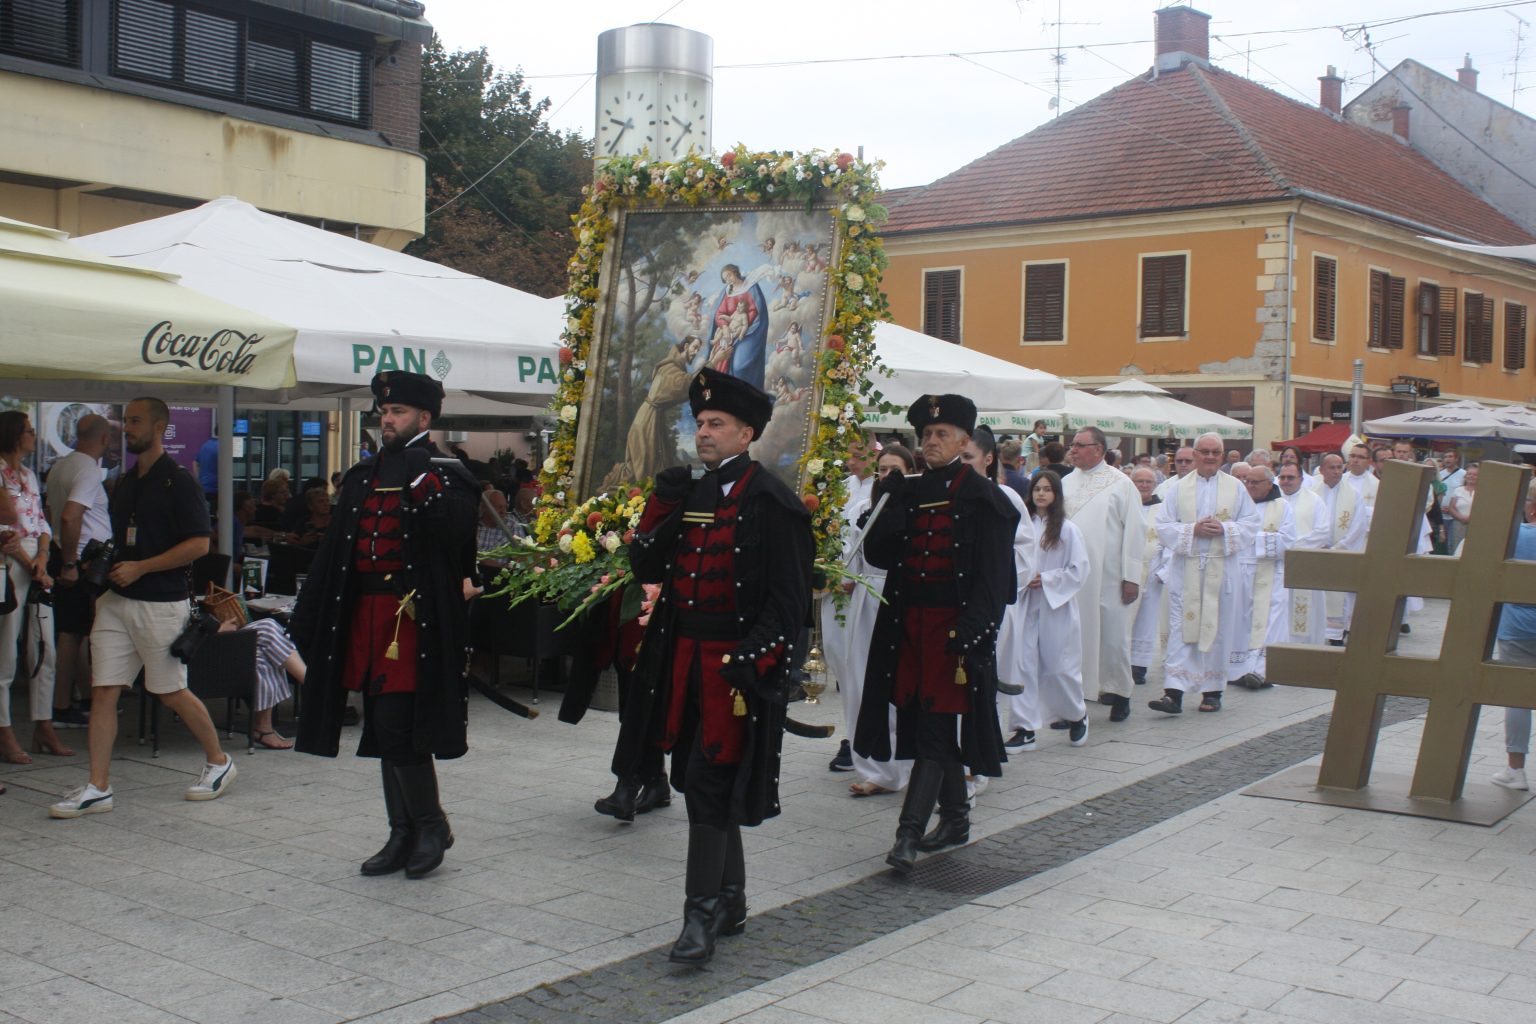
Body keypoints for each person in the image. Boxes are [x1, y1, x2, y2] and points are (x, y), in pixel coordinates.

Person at [616, 368, 813, 965]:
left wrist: (751, 661)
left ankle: (699, 915)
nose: (703, 432)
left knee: (709, 782)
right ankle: (730, 898)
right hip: (682, 662)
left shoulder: (773, 500)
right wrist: (662, 502)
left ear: (745, 432)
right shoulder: (694, 492)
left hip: (735, 671)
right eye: (699, 423)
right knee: (700, 779)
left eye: (715, 424)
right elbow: (645, 567)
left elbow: (789, 602)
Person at [291, 371, 479, 878]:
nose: (387, 420)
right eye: (384, 412)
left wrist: (422, 481)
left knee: (399, 724)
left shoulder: (447, 473)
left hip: (414, 619)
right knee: (380, 723)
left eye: (397, 413)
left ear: (424, 417)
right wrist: (308, 617)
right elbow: (336, 553)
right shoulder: (363, 474)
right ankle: (402, 832)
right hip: (366, 616)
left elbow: (459, 537)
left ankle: (429, 824)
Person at [49, 398, 236, 818]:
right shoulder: (126, 481)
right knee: (103, 690)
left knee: (169, 690)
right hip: (116, 599)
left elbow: (199, 544)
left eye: (135, 422)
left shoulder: (178, 481)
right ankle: (98, 786)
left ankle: (219, 762)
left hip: (160, 601)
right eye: (125, 422)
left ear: (159, 426)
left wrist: (142, 568)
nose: (126, 429)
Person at [855, 394, 1017, 875]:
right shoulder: (905, 490)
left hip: (954, 633)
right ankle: (957, 817)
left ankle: (907, 833)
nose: (931, 443)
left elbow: (996, 580)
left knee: (935, 728)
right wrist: (883, 508)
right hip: (909, 628)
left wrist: (974, 633)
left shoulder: (986, 499)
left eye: (941, 435)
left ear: (965, 441)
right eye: (925, 435)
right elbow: (880, 557)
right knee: (931, 723)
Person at [827, 444, 915, 797]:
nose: (888, 476)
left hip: (901, 599)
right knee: (863, 683)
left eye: (896, 470)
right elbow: (853, 554)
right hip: (866, 600)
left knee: (900, 685)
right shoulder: (864, 508)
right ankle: (875, 768)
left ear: (910, 471)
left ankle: (906, 764)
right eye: (883, 470)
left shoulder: (915, 510)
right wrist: (843, 577)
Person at [1150, 432, 1260, 715]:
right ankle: (1173, 693)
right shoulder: (1176, 488)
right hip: (1186, 568)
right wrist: (1192, 530)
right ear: (1195, 454)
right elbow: (1162, 525)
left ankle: (1212, 692)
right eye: (1205, 451)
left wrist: (1224, 528)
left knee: (1218, 628)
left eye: (1215, 452)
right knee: (1181, 629)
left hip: (1221, 569)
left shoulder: (1236, 488)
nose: (1210, 457)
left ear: (1222, 457)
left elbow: (1251, 523)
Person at [1061, 426, 1144, 723]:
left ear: (1098, 449)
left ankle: (1121, 694)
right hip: (1073, 576)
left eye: (1080, 445)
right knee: (1074, 639)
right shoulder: (1065, 483)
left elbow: (1135, 531)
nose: (1073, 450)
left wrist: (1131, 576)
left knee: (1113, 639)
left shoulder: (1121, 484)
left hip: (1109, 577)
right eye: (1073, 445)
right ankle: (1074, 704)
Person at [964, 428, 1039, 758]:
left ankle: (980, 752)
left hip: (992, 601)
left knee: (984, 678)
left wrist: (994, 571)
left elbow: (1025, 547)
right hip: (953, 602)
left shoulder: (1005, 497)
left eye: (968, 457)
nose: (961, 464)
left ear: (988, 458)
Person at [1006, 470, 1089, 751]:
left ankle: (1077, 714)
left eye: (1047, 489)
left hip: (1056, 604)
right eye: (1037, 489)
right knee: (1022, 664)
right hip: (1025, 601)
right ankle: (1024, 727)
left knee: (1058, 666)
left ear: (1056, 495)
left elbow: (1079, 569)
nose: (1041, 494)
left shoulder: (1067, 529)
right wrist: (1021, 577)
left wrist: (1049, 580)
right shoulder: (1023, 525)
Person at [47, 413, 112, 732]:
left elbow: (51, 512)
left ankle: (86, 699)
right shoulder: (87, 468)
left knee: (81, 631)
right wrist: (72, 563)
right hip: (83, 561)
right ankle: (61, 705)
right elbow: (70, 516)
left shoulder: (62, 464)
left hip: (69, 554)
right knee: (74, 633)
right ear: (103, 438)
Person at [0, 411, 58, 763]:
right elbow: (6, 531)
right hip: (11, 566)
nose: (33, 435)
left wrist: (44, 558)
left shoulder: (28, 475)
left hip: (36, 565)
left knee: (45, 648)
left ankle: (43, 723)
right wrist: (32, 563)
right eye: (28, 430)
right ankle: (5, 730)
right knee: (6, 651)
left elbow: (42, 521)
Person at [825, 436, 875, 775]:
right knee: (839, 659)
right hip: (834, 585)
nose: (852, 463)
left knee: (862, 665)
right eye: (848, 457)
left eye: (858, 456)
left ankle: (862, 735)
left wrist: (853, 577)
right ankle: (852, 729)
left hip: (863, 588)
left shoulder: (878, 488)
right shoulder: (842, 487)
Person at [600, 334, 705, 490]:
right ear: (685, 346)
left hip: (652, 419)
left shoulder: (675, 367)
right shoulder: (669, 368)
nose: (696, 352)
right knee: (643, 467)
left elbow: (686, 383)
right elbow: (686, 385)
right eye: (695, 347)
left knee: (654, 466)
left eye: (698, 349)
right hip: (646, 422)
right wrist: (713, 362)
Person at [1229, 466, 1295, 690]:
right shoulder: (1238, 505)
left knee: (1270, 621)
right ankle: (1237, 669)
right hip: (1241, 572)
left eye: (1255, 482)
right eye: (1247, 481)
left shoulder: (1282, 507)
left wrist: (1250, 538)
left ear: (1269, 484)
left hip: (1271, 573)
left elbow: (1288, 540)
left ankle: (1263, 671)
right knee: (1240, 621)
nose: (1250, 486)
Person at [1491, 478, 1536, 793]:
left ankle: (1515, 769)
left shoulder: (1516, 536)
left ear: (1531, 507)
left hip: (1517, 627)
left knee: (1517, 698)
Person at [1309, 453, 1371, 645]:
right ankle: (1315, 631)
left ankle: (1337, 634)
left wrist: (1338, 547)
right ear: (1321, 470)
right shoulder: (1311, 493)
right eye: (1331, 467)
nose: (1336, 471)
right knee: (1316, 596)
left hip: (1340, 553)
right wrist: (1315, 545)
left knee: (1340, 596)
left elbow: (1358, 527)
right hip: (1315, 554)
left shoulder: (1353, 495)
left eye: (1339, 467)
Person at [217, 615, 306, 749]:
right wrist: (219, 628)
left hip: (208, 635)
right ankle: (312, 684)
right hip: (195, 644)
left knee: (264, 654)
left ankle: (263, 728)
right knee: (267, 627)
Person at [1277, 462, 1329, 646]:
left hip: (1304, 564)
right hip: (1277, 567)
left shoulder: (1314, 500)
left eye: (1290, 477)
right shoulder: (1273, 501)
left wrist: (1292, 545)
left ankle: (1304, 649)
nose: (1286, 481)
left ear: (1301, 479)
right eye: (1282, 477)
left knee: (1306, 612)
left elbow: (1322, 531)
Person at [1128, 466, 1168, 687]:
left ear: (1154, 485)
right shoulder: (1125, 505)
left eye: (1148, 482)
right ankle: (1122, 663)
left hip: (1152, 573)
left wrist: (1164, 571)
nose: (1143, 485)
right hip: (1127, 573)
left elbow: (1170, 541)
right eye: (1139, 481)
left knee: (1146, 620)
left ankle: (1139, 666)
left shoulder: (1163, 510)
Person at [1447, 463, 1479, 554]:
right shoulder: (1458, 490)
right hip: (1459, 524)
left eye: (1475, 475)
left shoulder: (1482, 491)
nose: (1471, 476)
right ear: (1465, 476)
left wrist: (1471, 518)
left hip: (1476, 525)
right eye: (1469, 474)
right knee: (1457, 549)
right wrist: (1461, 518)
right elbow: (1451, 507)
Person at [195, 430, 219, 506]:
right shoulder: (222, 446)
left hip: (204, 487)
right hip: (216, 488)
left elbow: (195, 462)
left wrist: (198, 480)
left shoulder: (205, 445)